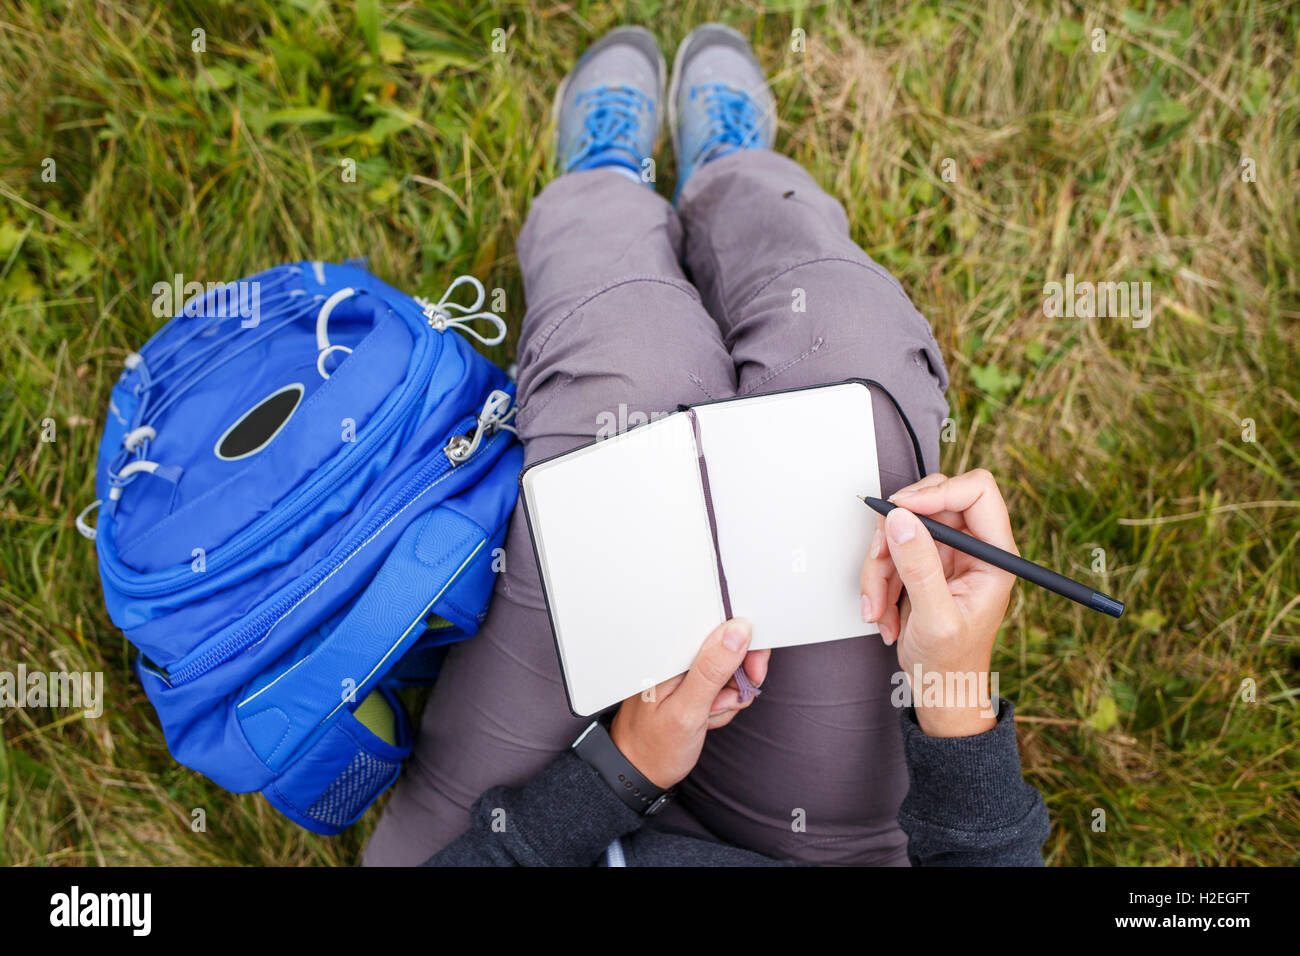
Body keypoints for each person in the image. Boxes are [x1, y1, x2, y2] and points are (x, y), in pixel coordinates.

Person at [363, 23, 1048, 867]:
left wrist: (622, 770)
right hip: (822, 856)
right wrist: (953, 691)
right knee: (852, 362)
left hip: (519, 841)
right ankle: (732, 175)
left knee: (628, 374)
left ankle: (605, 188)